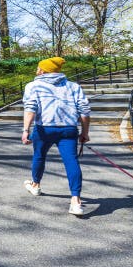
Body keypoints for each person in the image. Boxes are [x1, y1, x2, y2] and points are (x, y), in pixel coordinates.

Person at [22, 57, 91, 216]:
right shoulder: (73, 86)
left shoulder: (33, 86)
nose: (36, 70)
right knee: (71, 161)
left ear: (43, 71)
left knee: (39, 156)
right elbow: (84, 111)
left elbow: (30, 108)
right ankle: (75, 201)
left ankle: (36, 185)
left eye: (38, 68)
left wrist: (26, 130)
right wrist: (85, 132)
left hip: (44, 129)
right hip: (68, 129)